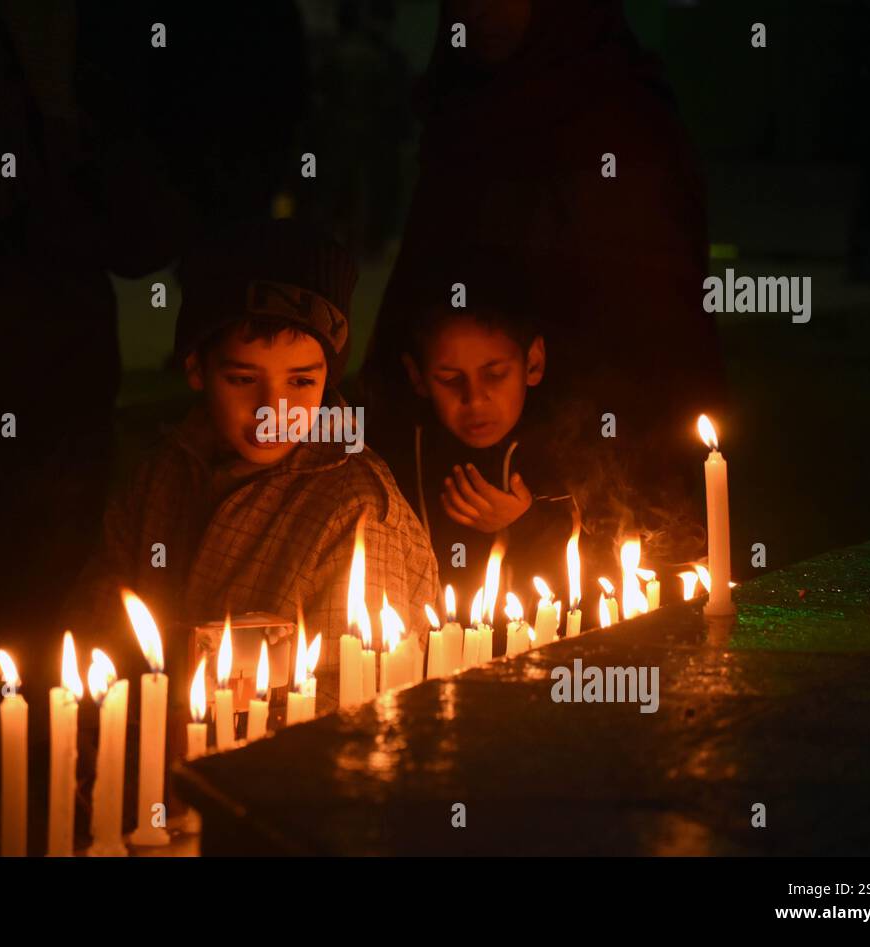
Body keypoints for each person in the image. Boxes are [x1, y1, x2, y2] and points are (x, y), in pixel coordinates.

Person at [363, 0, 727, 568]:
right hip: (467, 401)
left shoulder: (618, 111)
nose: (477, 10)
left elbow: (657, 300)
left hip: (600, 415)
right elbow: (429, 262)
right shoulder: (462, 108)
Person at [59, 219, 441, 711]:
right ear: (196, 368)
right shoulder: (160, 476)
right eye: (242, 379)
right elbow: (97, 621)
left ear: (328, 378)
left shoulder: (357, 508)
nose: (271, 410)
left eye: (300, 382)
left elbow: (353, 699)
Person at [385, 262, 573, 612]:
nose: (474, 398)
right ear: (417, 376)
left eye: (495, 374)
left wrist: (525, 522)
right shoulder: (395, 458)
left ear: (533, 363)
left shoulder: (569, 452)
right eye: (450, 379)